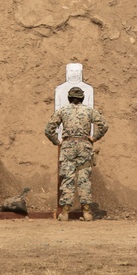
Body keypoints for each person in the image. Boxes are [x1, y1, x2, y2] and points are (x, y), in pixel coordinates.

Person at [45, 86, 108, 221]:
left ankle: (65, 213)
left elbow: (49, 129)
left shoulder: (62, 111)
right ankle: (86, 212)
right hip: (85, 146)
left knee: (68, 178)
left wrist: (57, 141)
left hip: (68, 146)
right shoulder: (89, 111)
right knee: (84, 179)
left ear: (69, 98)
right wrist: (94, 138)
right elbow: (104, 125)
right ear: (82, 98)